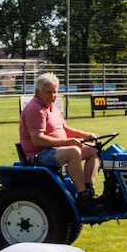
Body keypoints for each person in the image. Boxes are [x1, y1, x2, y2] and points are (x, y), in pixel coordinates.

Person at [19, 72, 102, 214]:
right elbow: (37, 140)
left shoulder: (52, 106)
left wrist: (86, 135)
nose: (52, 96)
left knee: (93, 149)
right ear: (38, 92)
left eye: (54, 92)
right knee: (74, 151)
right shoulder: (35, 109)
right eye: (48, 92)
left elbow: (64, 129)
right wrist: (68, 142)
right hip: (39, 154)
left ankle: (89, 190)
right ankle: (83, 198)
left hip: (56, 150)